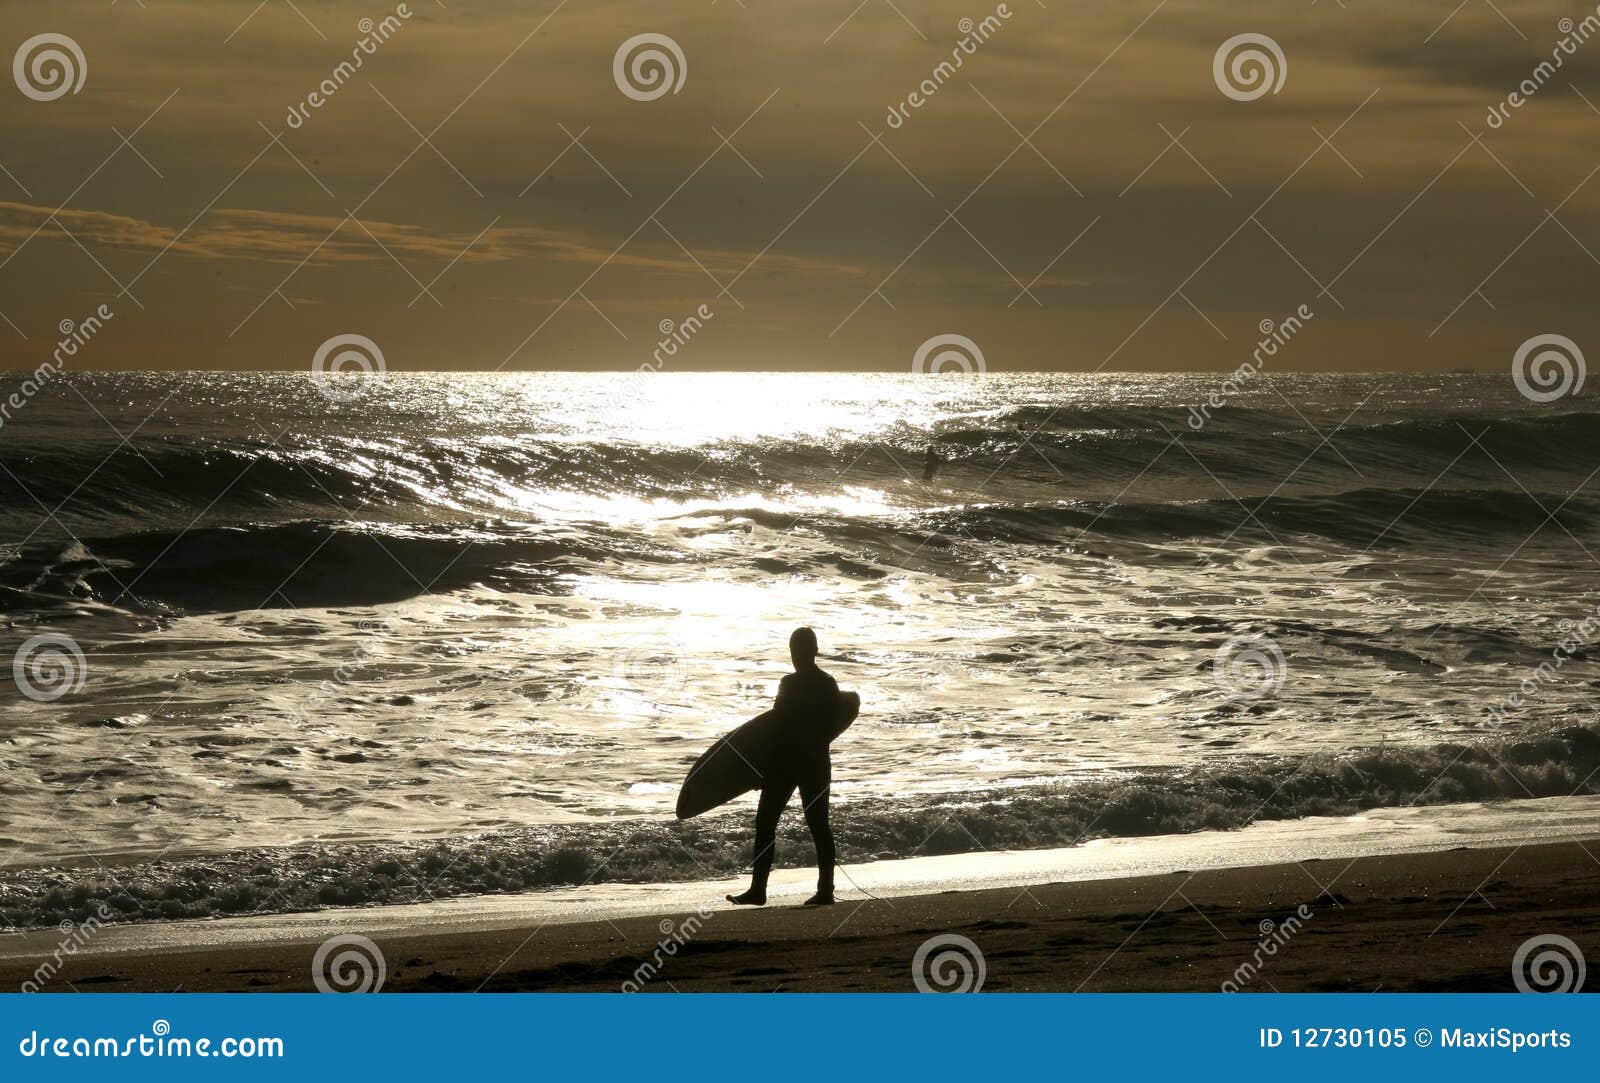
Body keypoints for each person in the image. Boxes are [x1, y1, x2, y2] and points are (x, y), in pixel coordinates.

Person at [726, 627, 839, 907]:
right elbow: (832, 725)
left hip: (786, 764)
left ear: (812, 651)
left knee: (770, 823)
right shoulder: (828, 683)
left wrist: (760, 770)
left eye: (798, 651)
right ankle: (824, 890)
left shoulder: (789, 683)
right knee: (816, 825)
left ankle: (760, 890)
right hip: (815, 763)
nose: (796, 656)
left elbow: (775, 729)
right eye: (794, 651)